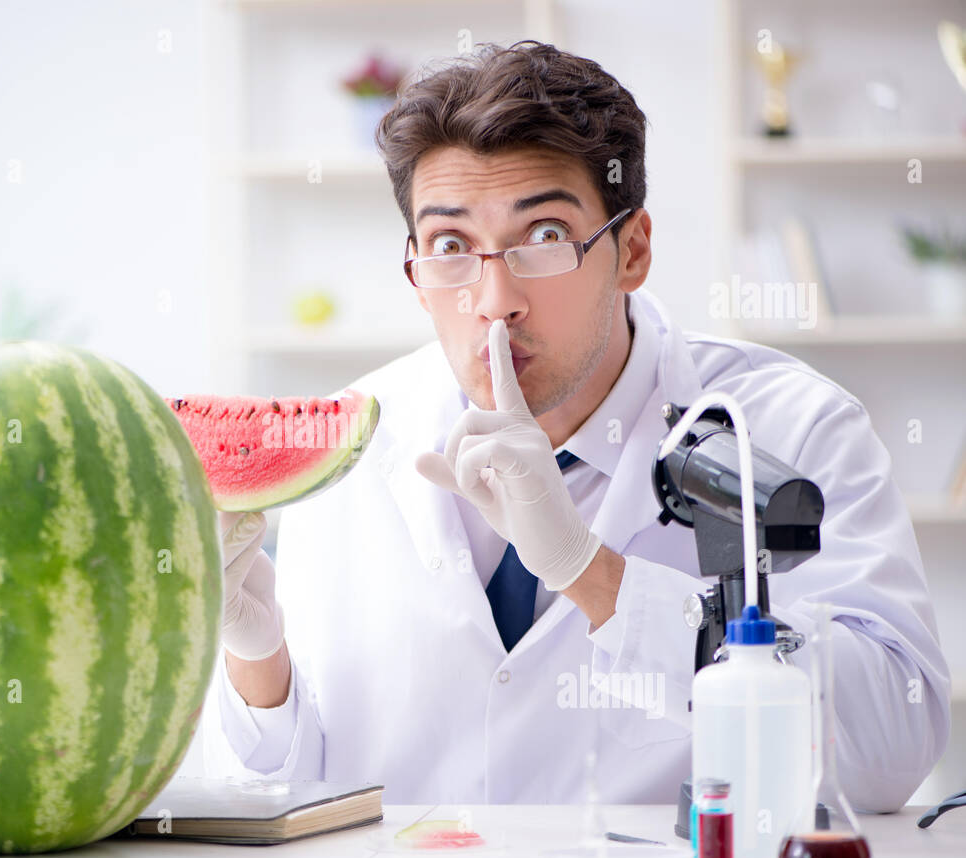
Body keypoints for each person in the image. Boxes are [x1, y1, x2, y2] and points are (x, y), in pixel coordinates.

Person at [200, 40, 950, 811]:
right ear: (416, 275)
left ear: (633, 250)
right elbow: (287, 792)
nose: (494, 299)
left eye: (545, 237)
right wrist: (258, 659)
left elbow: (892, 743)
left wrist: (589, 572)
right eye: (451, 247)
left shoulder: (794, 426)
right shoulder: (352, 445)